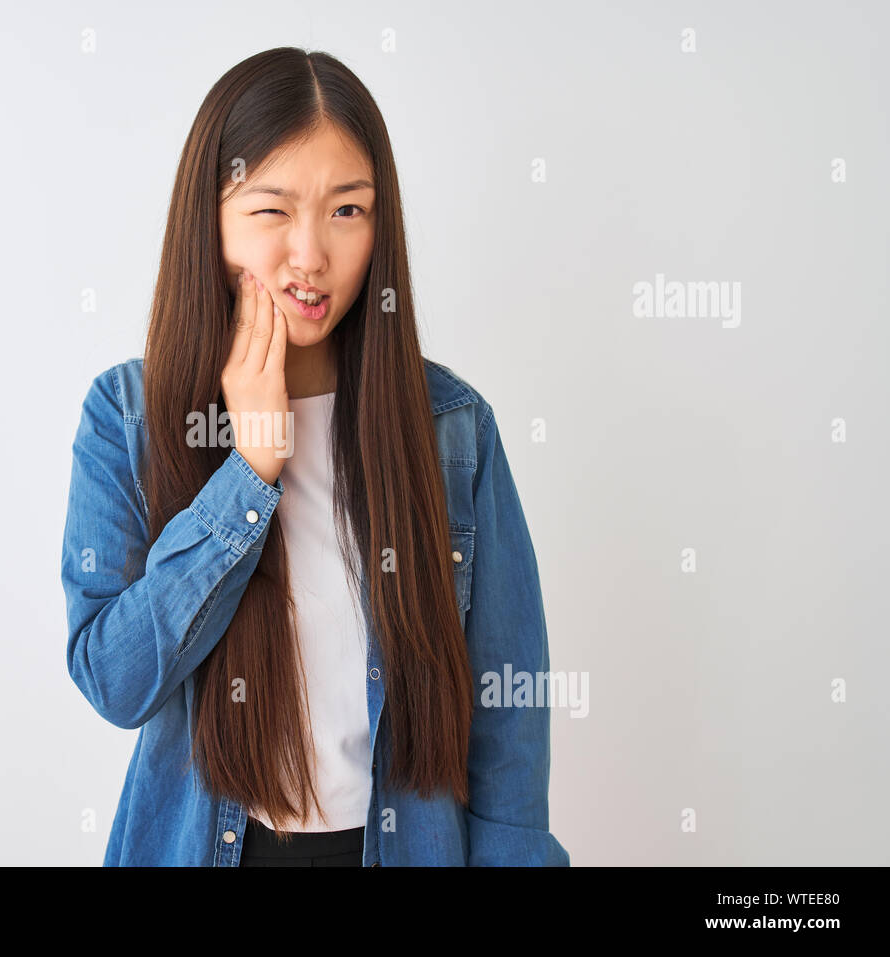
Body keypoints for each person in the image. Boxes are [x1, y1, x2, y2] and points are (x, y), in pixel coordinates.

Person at [60, 47, 569, 867]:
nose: (311, 255)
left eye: (347, 210)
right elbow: (116, 680)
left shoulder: (453, 430)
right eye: (272, 211)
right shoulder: (129, 418)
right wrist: (248, 473)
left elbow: (508, 712)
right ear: (212, 218)